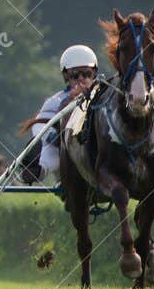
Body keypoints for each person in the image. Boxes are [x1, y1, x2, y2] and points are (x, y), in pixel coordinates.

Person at [20, 44, 97, 184]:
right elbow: (40, 128)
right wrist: (70, 101)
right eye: (75, 74)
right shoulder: (55, 101)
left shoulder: (105, 96)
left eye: (86, 73)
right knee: (54, 149)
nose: (81, 78)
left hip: (97, 158)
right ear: (66, 76)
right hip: (65, 160)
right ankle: (35, 170)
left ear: (94, 73)